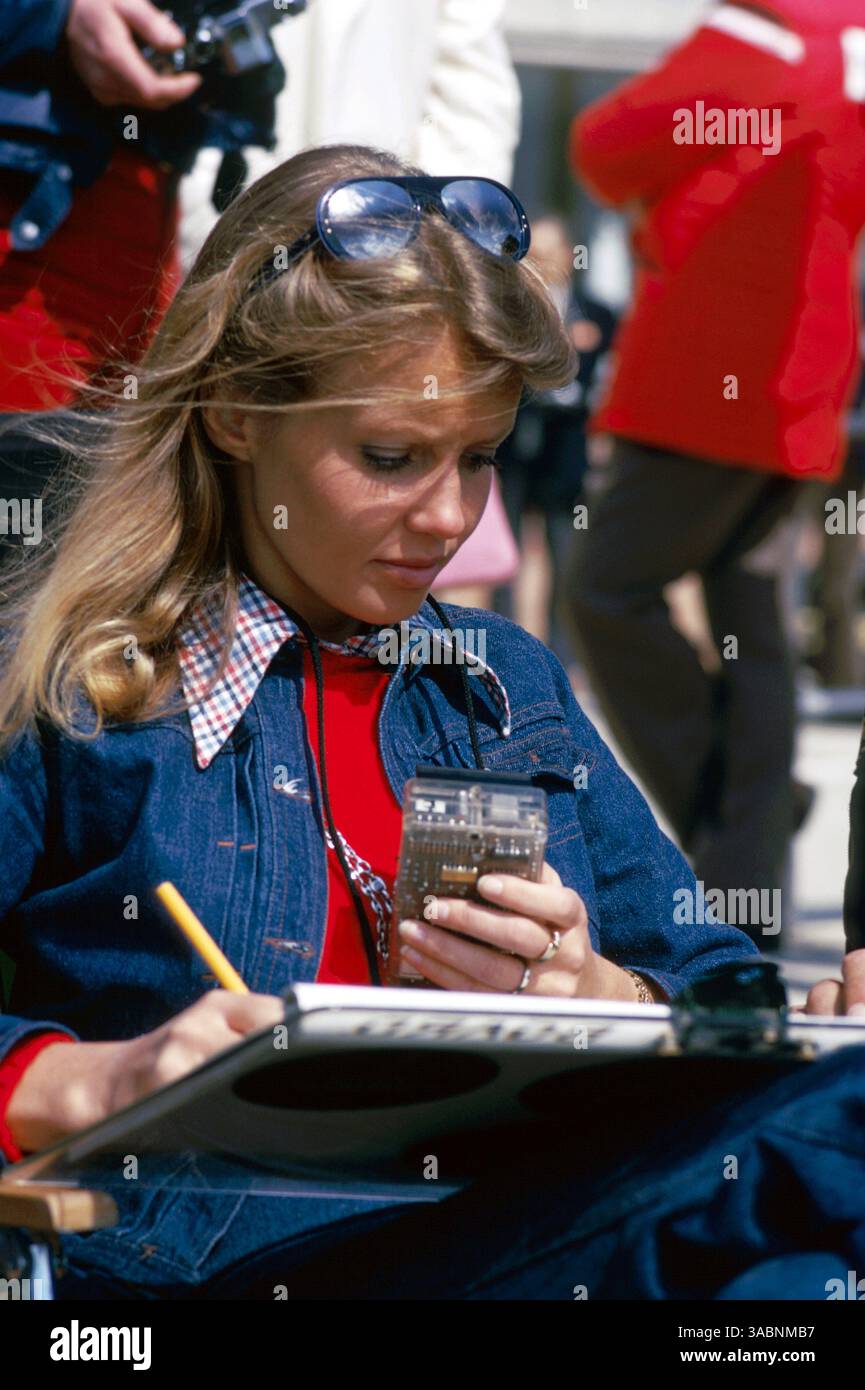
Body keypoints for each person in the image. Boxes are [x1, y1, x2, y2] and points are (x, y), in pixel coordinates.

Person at [0, 143, 861, 1303]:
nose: (451, 517)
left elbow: (713, 981)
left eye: (481, 460)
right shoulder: (73, 686)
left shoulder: (503, 679)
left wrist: (601, 997)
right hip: (213, 1262)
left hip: (508, 1234)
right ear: (237, 415)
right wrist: (91, 1079)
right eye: (391, 457)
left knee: (801, 1269)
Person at [566, 0, 865, 949]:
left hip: (710, 374)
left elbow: (604, 144)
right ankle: (750, 882)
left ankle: (741, 828)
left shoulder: (771, 28)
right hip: (801, 376)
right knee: (753, 620)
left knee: (607, 590)